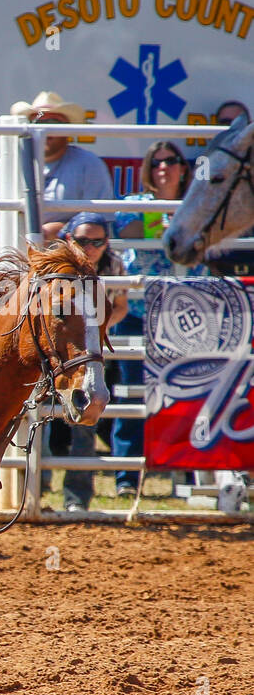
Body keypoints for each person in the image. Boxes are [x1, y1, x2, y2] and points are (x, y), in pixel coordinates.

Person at [112, 139, 206, 496]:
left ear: (184, 168)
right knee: (130, 393)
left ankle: (184, 474)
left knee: (185, 392)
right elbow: (131, 234)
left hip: (184, 310)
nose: (163, 168)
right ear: (147, 170)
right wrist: (170, 220)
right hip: (138, 309)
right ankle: (125, 476)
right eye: (156, 163)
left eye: (170, 161)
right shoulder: (135, 204)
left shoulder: (198, 204)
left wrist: (177, 219)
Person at [46, 213, 126, 511]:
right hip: (55, 350)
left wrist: (96, 328)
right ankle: (36, 487)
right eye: (82, 240)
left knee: (86, 417)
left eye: (97, 241)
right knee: (41, 418)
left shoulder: (113, 265)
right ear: (69, 239)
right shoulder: (54, 264)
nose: (90, 247)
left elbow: (121, 306)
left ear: (106, 243)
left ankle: (76, 498)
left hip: (89, 351)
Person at [0, 91, 113, 253]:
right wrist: (24, 235)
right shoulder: (3, 165)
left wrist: (57, 232)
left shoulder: (89, 165)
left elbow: (100, 223)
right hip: (6, 263)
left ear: (67, 130)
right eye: (36, 122)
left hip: (65, 266)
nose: (44, 129)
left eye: (53, 123)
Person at [205, 101, 254, 278]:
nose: (232, 130)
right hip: (218, 264)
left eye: (238, 124)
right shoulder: (204, 162)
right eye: (225, 124)